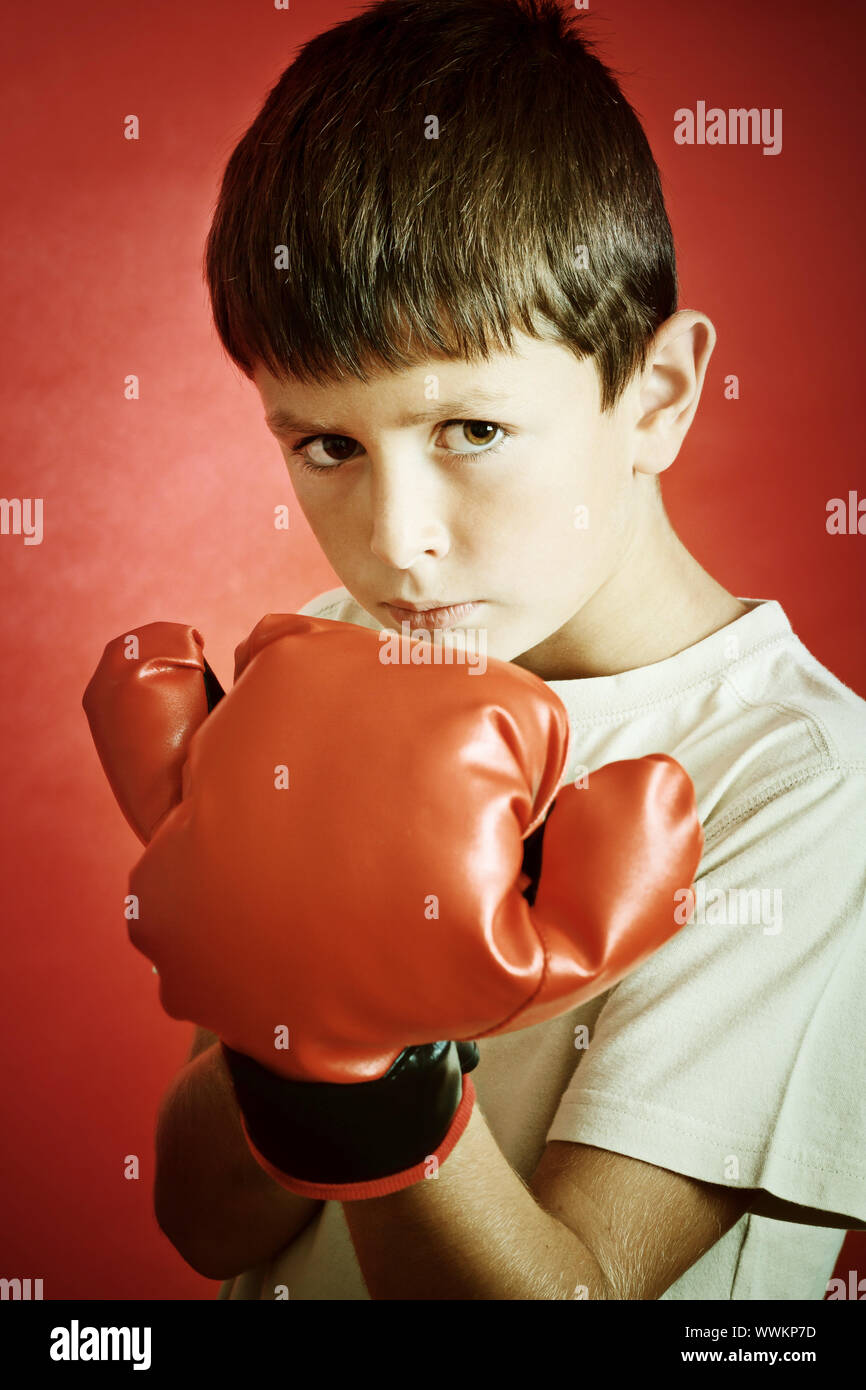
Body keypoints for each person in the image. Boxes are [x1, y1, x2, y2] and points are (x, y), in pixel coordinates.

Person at [153, 0, 866, 1299]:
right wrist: (297, 1034)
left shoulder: (805, 783)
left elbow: (570, 1292)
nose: (397, 541)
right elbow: (208, 1226)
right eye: (326, 445)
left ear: (652, 398)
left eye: (470, 430)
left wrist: (386, 1058)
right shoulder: (323, 656)